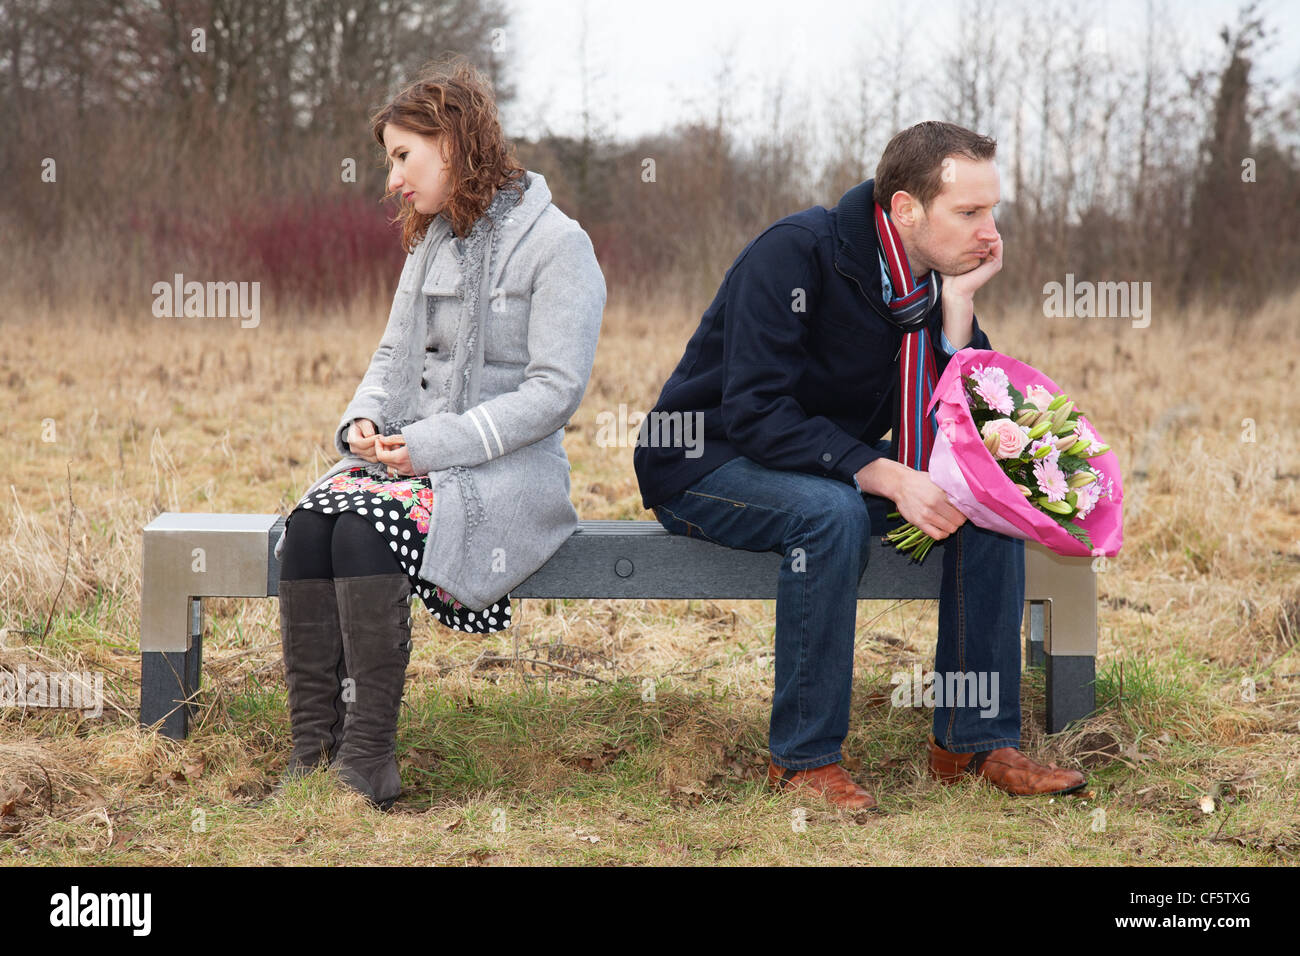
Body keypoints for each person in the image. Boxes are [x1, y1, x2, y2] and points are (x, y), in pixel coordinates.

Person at [633, 121, 1085, 810]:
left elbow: (962, 421)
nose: (988, 232)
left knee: (982, 498)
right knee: (831, 512)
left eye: (992, 211)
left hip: (806, 461)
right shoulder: (796, 254)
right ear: (906, 209)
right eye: (968, 213)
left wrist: (958, 310)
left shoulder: (927, 286)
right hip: (703, 457)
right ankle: (805, 760)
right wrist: (883, 474)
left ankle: (972, 742)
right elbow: (754, 411)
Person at [273, 57, 606, 810]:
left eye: (402, 156)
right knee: (310, 522)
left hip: (506, 475)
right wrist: (363, 420)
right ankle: (310, 749)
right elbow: (392, 357)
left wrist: (432, 446)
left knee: (362, 529)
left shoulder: (559, 246)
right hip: (417, 458)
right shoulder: (431, 244)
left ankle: (368, 761)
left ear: (451, 142)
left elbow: (554, 394)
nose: (391, 179)